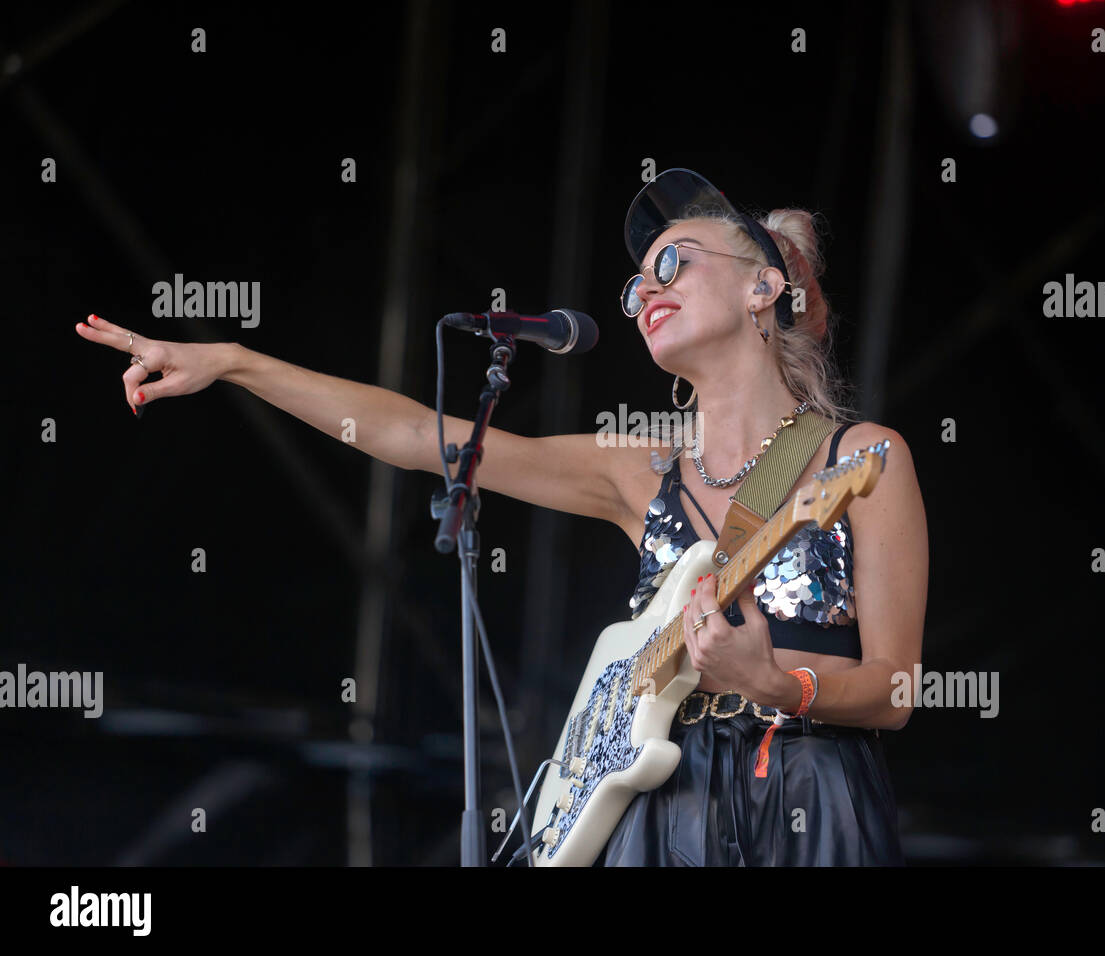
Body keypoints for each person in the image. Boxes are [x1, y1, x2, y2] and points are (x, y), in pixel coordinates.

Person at [73, 169, 928, 866]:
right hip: (663, 807)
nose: (645, 291)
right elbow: (416, 434)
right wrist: (234, 360)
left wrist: (781, 687)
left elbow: (898, 688)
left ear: (763, 287)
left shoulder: (863, 456)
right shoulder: (637, 472)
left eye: (674, 264)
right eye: (636, 286)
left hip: (809, 794)